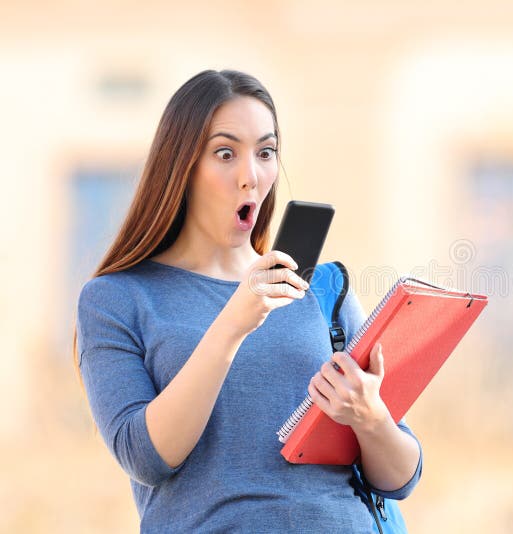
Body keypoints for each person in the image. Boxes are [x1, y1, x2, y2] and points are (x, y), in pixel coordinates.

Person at [73, 69, 422, 533]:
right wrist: (233, 323)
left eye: (266, 152)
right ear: (181, 167)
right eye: (225, 153)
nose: (251, 176)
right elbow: (146, 456)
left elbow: (401, 477)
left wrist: (371, 416)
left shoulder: (321, 289)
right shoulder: (117, 299)